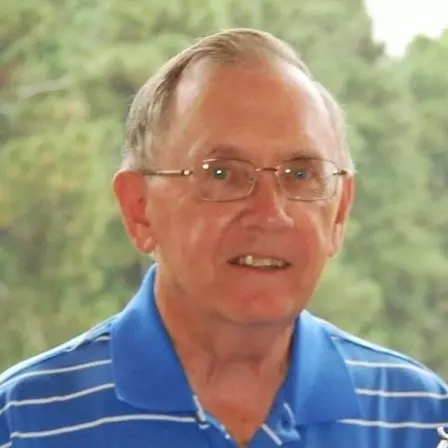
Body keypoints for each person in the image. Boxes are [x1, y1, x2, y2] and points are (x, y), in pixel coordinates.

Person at [0, 28, 447, 448]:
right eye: (222, 174)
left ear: (339, 211)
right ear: (139, 209)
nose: (270, 214)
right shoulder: (21, 423)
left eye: (300, 174)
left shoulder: (419, 420)